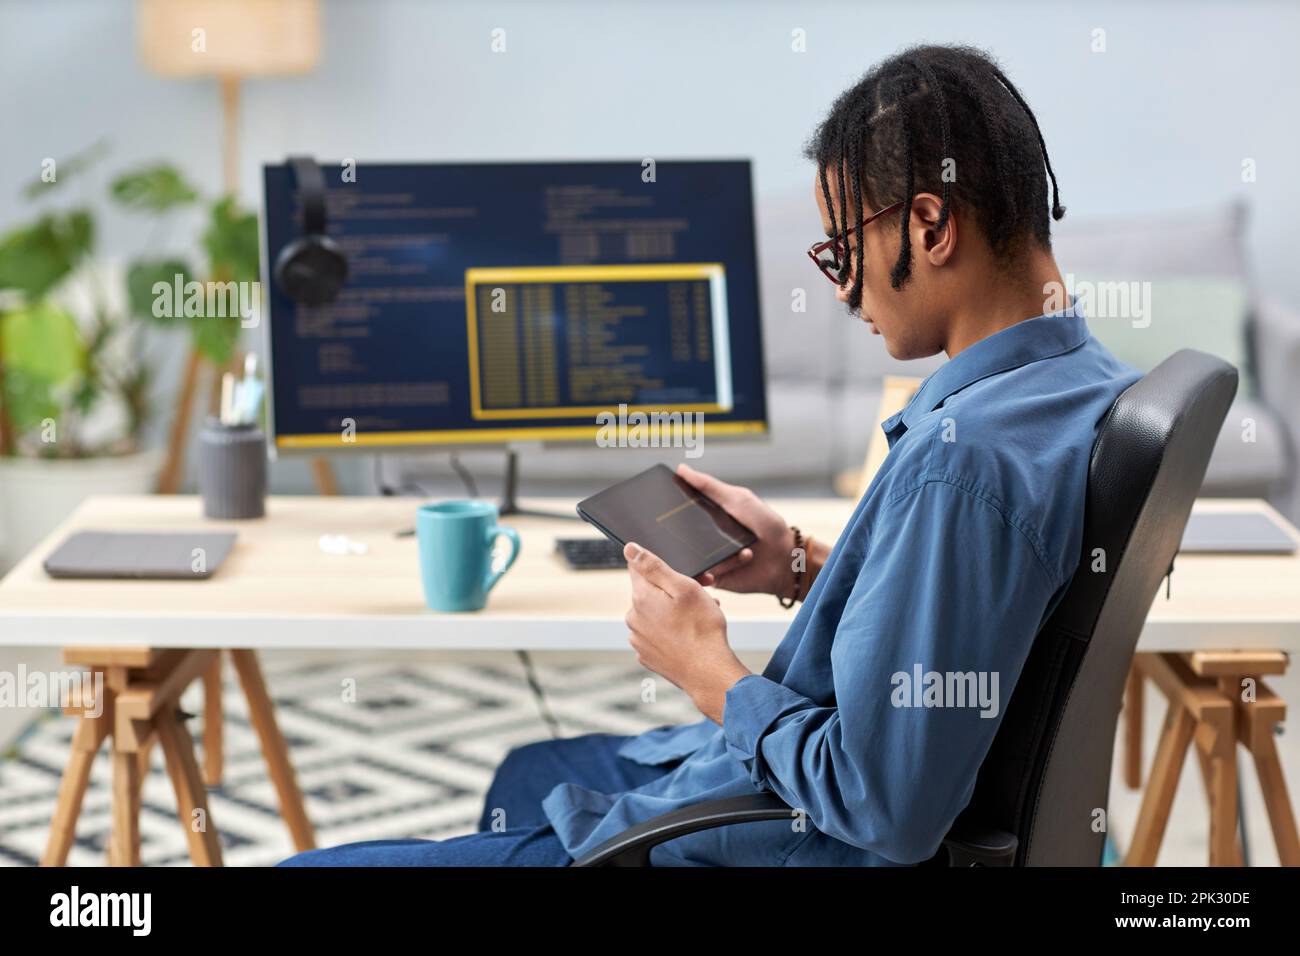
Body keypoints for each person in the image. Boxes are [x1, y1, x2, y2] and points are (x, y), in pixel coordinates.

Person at [280, 43, 1140, 867]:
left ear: (929, 223)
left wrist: (711, 675)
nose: (845, 292)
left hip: (772, 839)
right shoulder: (1077, 382)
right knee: (527, 777)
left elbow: (887, 807)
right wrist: (801, 566)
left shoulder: (968, 463)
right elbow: (973, 618)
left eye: (844, 251)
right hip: (772, 795)